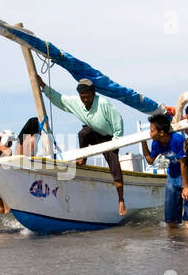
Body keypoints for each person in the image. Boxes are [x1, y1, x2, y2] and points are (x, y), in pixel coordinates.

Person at [42, 78, 127, 216]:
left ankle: (121, 200)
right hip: (93, 134)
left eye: (88, 97)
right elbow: (60, 99)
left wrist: (115, 144)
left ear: (93, 94)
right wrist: (43, 86)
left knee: (114, 164)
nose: (85, 100)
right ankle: (83, 159)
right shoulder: (77, 102)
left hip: (109, 138)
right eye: (83, 98)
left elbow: (118, 124)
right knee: (83, 133)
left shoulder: (104, 104)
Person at [142, 112, 188, 227]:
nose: (150, 133)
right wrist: (143, 142)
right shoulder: (156, 143)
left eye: (152, 131)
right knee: (171, 214)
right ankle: (173, 240)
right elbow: (150, 160)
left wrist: (186, 187)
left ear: (161, 133)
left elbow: (183, 164)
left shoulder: (177, 140)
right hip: (173, 173)